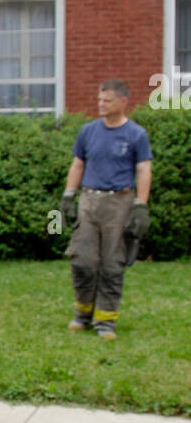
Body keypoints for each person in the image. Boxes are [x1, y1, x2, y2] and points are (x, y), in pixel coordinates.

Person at [61, 80, 152, 339]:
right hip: (89, 200)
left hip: (120, 203)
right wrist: (69, 194)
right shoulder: (88, 131)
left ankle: (106, 320)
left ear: (123, 102)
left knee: (112, 263)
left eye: (107, 100)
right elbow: (78, 163)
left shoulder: (136, 134)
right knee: (83, 260)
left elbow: (143, 169)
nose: (101, 104)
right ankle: (82, 313)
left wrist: (140, 205)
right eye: (100, 100)